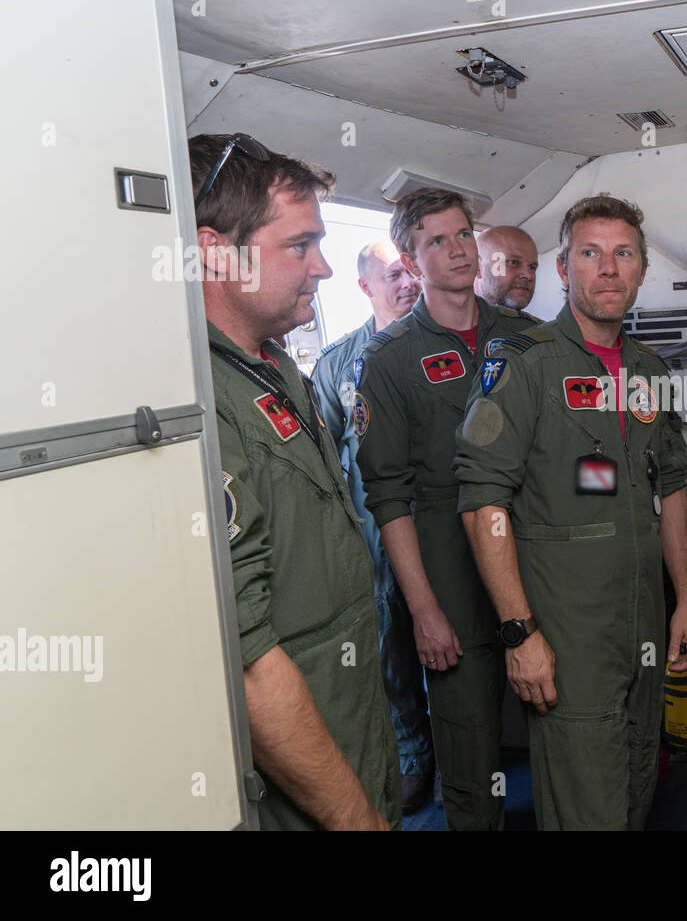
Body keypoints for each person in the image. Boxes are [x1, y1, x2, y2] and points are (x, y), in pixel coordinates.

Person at [455, 194, 687, 830]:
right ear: (564, 270)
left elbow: (670, 486)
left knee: (636, 784)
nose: (609, 269)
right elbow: (483, 498)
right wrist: (518, 631)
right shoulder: (524, 365)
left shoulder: (649, 371)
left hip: (644, 623)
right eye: (590, 254)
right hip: (567, 638)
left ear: (642, 270)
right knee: (583, 808)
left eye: (624, 255)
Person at [190, 132, 400, 830]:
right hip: (304, 791)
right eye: (300, 246)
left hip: (352, 728)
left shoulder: (278, 369)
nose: (326, 268)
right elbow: (245, 657)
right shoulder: (199, 398)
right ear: (217, 249)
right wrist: (353, 817)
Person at [353, 189, 537, 830]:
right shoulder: (390, 360)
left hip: (531, 553)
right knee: (469, 746)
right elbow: (388, 498)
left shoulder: (526, 340)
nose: (457, 250)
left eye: (463, 235)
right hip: (447, 574)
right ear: (410, 257)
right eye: (437, 240)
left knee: (563, 725)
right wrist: (424, 612)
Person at [313, 240, 435, 814]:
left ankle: (467, 759)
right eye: (394, 274)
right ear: (365, 286)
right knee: (391, 648)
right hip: (378, 538)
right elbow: (322, 459)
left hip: (444, 528)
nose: (408, 282)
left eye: (412, 271)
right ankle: (412, 754)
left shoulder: (447, 347)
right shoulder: (339, 363)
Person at [474, 224, 540, 312]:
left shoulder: (537, 325)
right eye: (513, 262)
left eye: (532, 267)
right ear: (478, 267)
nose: (529, 275)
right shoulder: (450, 321)